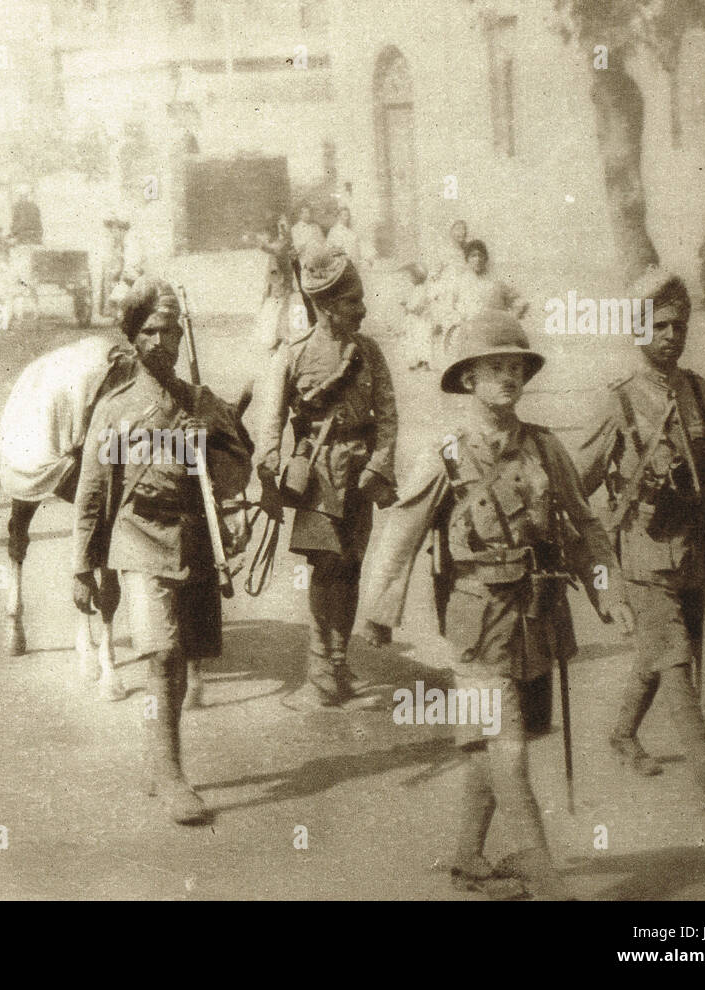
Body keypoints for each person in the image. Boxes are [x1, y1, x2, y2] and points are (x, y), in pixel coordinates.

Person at [362, 310, 634, 899]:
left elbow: (583, 525)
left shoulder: (543, 447)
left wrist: (607, 593)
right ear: (468, 379)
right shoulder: (448, 454)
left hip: (537, 620)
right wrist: (379, 613)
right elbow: (401, 530)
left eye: (516, 367)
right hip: (478, 625)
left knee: (497, 743)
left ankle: (467, 858)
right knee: (509, 754)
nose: (508, 378)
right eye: (495, 368)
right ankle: (548, 883)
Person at [72, 277, 252, 824]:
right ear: (132, 337)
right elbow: (92, 492)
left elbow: (238, 470)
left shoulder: (201, 402)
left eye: (171, 331)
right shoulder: (115, 409)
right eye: (150, 330)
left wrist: (214, 442)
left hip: (194, 544)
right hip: (139, 541)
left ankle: (159, 758)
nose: (162, 341)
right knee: (163, 656)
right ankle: (173, 776)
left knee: (181, 658)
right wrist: (83, 567)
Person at [573, 270, 705, 816]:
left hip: (694, 545)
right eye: (660, 324)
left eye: (681, 324)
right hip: (645, 551)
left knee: (670, 649)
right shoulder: (620, 402)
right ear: (638, 328)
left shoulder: (695, 389)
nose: (672, 334)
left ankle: (623, 733)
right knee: (674, 659)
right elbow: (579, 483)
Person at [254, 246, 399, 711]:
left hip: (359, 474)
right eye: (353, 302)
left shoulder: (369, 352)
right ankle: (320, 665)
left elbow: (389, 416)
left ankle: (339, 659)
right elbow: (271, 421)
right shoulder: (292, 357)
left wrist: (378, 466)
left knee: (351, 565)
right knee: (324, 568)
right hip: (316, 474)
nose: (362, 309)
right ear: (327, 307)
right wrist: (269, 472)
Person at [445, 240, 527, 353]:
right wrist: (459, 322)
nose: (477, 259)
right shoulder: (459, 283)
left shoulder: (496, 282)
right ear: (467, 259)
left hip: (495, 334)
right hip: (470, 335)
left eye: (480, 255)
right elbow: (449, 308)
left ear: (485, 258)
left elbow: (520, 301)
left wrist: (512, 318)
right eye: (473, 256)